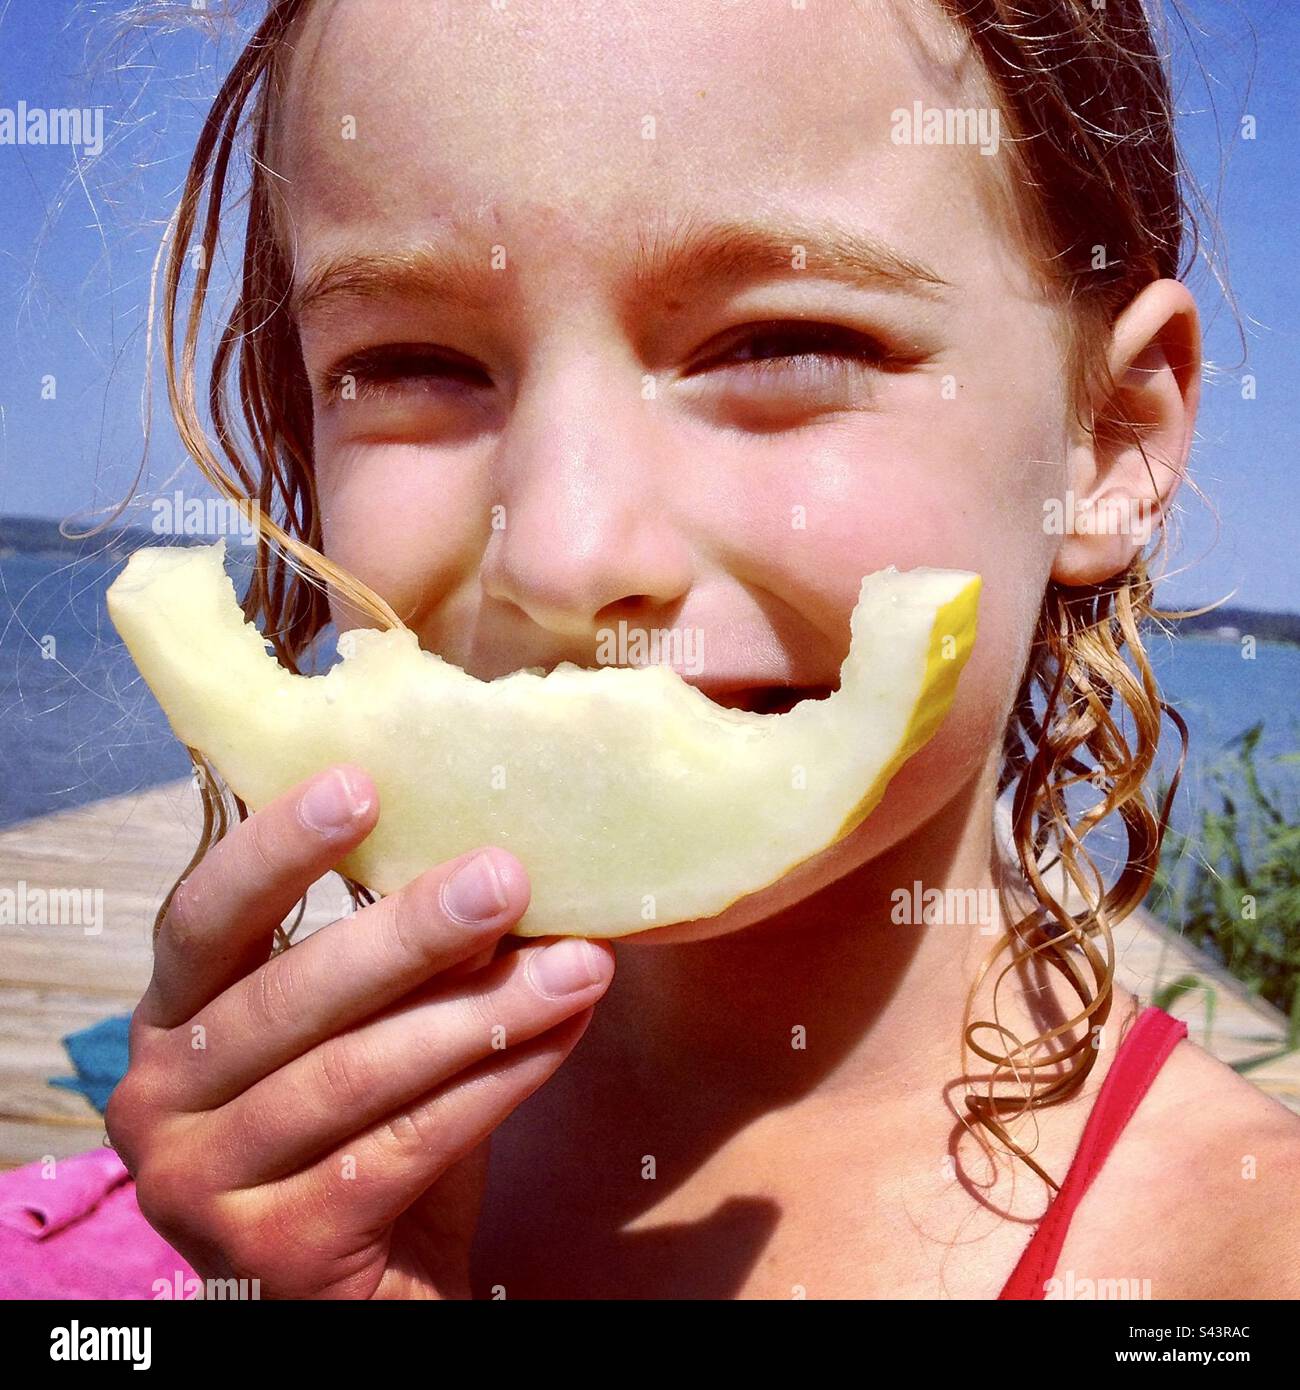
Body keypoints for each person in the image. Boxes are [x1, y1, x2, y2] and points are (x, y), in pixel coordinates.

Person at [105, 0, 1300, 1299]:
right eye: (411, 362)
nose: (560, 549)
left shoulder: (1242, 1259)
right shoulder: (301, 1181)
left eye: (785, 342)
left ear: (1110, 437)